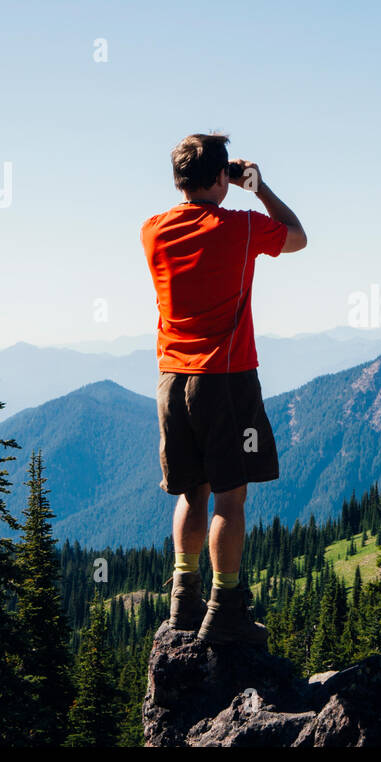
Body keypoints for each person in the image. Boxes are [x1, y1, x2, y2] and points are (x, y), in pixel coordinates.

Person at [141, 133, 308, 645]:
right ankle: (224, 605)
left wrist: (218, 180)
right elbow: (297, 235)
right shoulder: (240, 228)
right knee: (229, 502)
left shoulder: (152, 230)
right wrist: (256, 185)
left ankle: (182, 598)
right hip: (226, 381)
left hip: (172, 381)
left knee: (193, 493)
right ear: (221, 179)